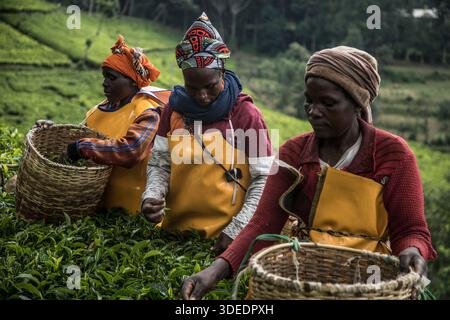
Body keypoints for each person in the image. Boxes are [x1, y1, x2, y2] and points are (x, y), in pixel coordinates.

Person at [180, 46, 437, 300]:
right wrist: (214, 271)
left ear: (357, 103)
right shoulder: (294, 154)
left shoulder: (392, 155)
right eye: (309, 101)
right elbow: (262, 224)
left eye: (328, 103)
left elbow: (410, 230)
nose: (314, 111)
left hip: (367, 283)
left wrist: (413, 252)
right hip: (301, 277)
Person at [141, 13, 273, 253]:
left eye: (210, 86)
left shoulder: (245, 114)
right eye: (193, 88)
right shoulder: (173, 108)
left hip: (223, 241)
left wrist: (237, 231)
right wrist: (151, 195)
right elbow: (160, 163)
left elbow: (263, 179)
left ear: (222, 71)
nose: (202, 96)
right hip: (173, 235)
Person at [38, 35, 171, 215]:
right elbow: (74, 139)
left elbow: (129, 151)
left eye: (112, 78)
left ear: (132, 81)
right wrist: (50, 131)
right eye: (104, 77)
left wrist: (82, 147)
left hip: (129, 211)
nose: (105, 83)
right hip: (91, 204)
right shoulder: (98, 110)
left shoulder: (147, 111)